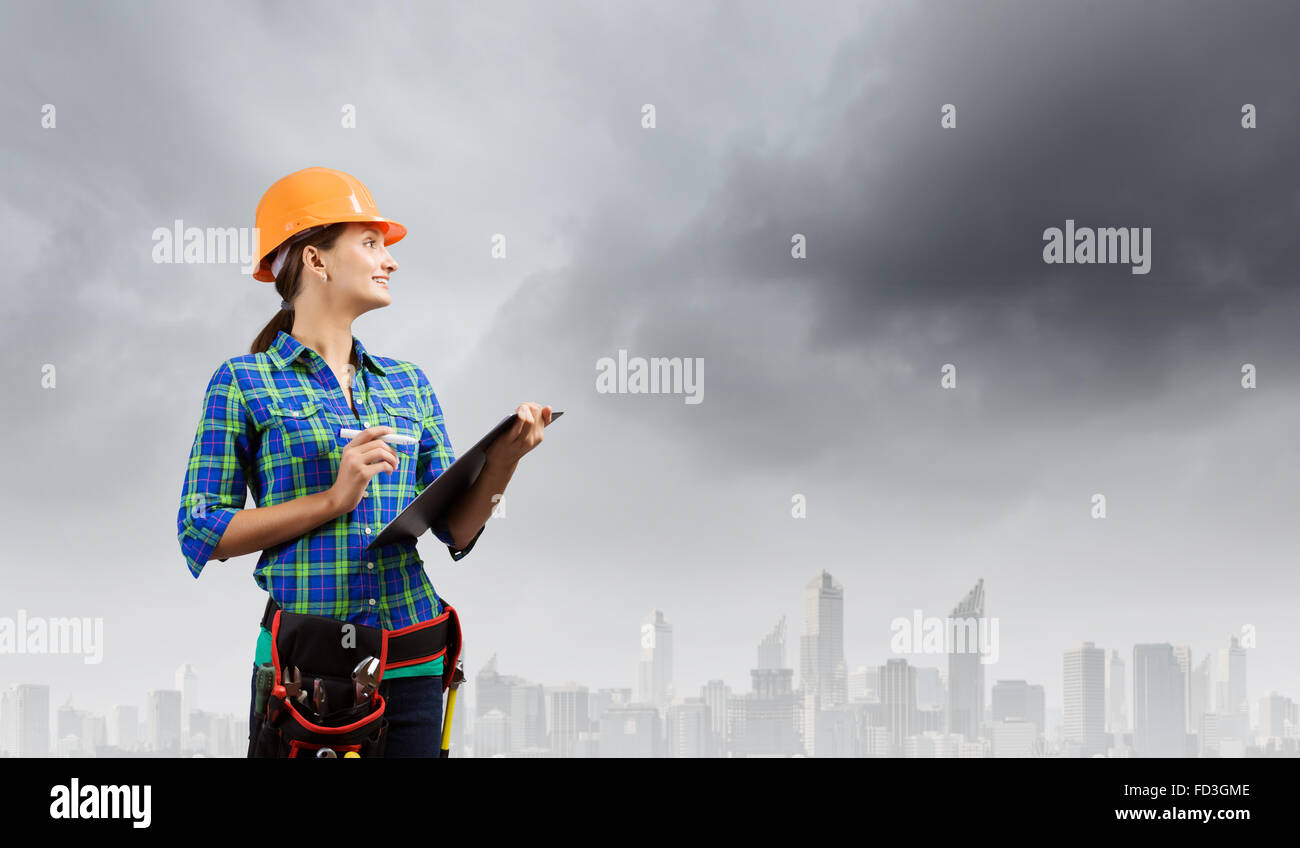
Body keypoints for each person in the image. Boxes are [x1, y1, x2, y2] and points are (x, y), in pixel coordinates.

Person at [176, 166, 550, 756]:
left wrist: (506, 459)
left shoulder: (409, 385)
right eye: (370, 243)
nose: (390, 260)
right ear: (315, 259)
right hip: (308, 677)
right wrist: (333, 499)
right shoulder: (244, 384)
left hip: (415, 659)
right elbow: (202, 528)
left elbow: (456, 527)